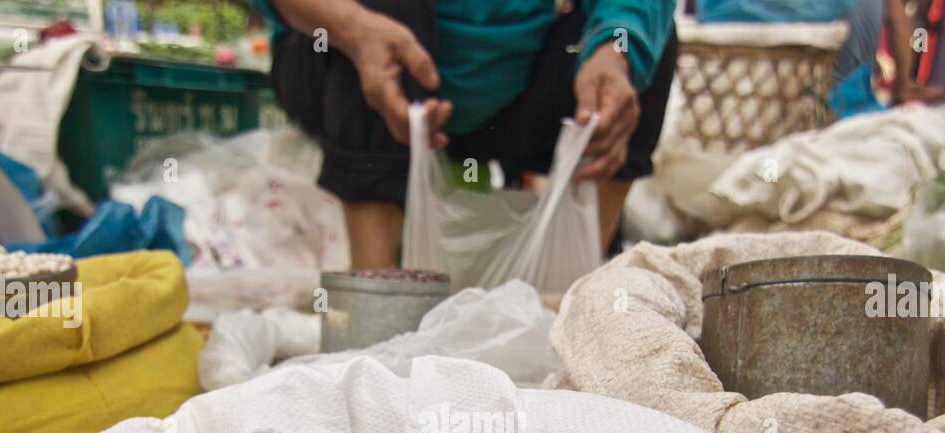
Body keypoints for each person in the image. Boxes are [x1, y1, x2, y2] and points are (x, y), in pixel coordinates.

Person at [256, 0, 677, 269]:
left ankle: (570, 298)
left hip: (516, 85)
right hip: (351, 54)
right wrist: (350, 27)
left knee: (633, 33)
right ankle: (374, 295)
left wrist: (614, 53)